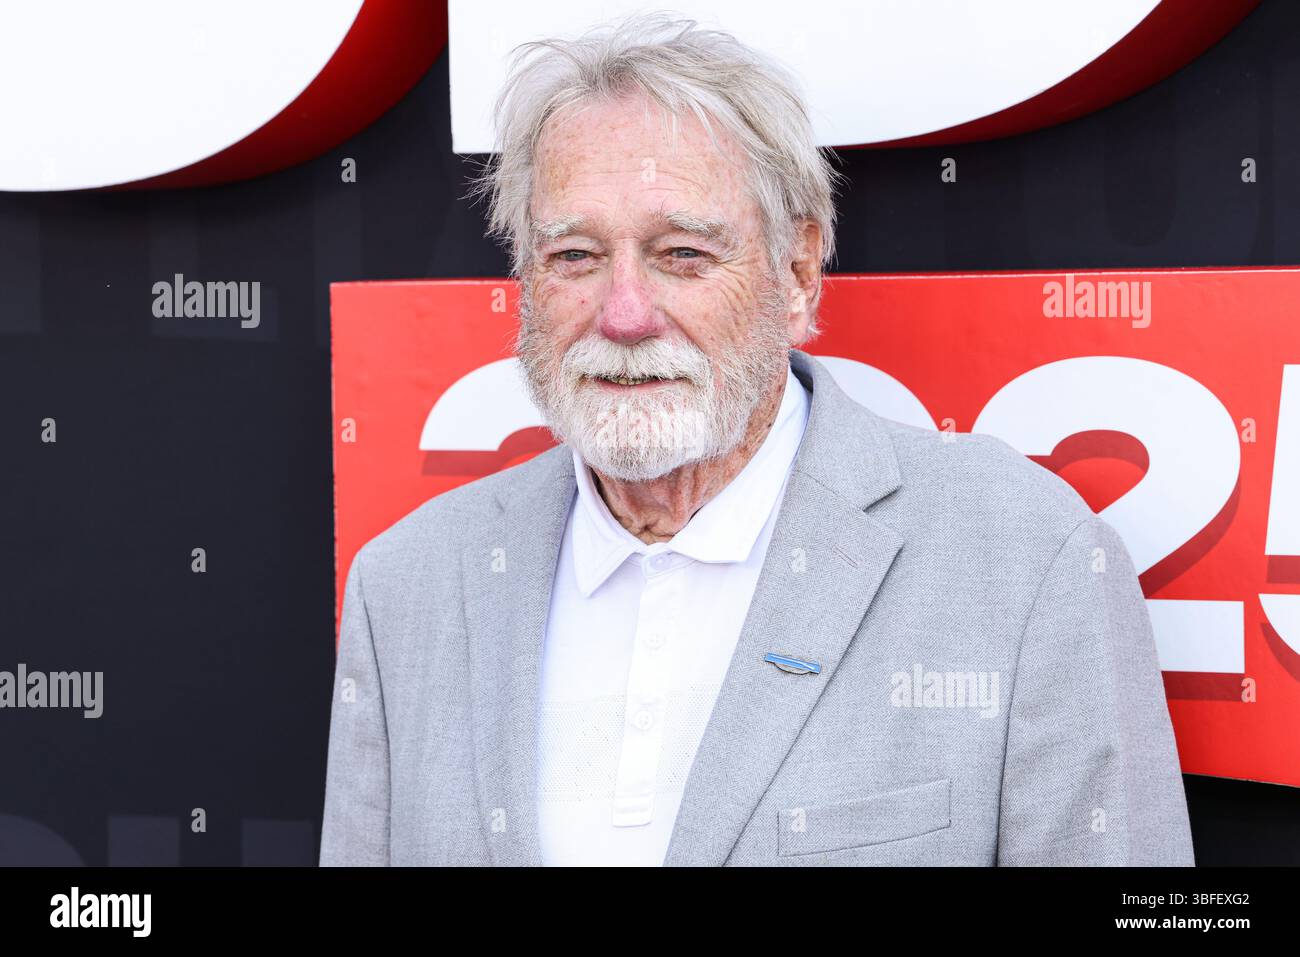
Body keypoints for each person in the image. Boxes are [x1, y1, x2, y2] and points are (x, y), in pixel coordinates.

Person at [320, 12, 1194, 866]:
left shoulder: (1025, 560)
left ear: (799, 273)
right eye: (576, 256)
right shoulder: (407, 589)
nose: (623, 314)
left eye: (684, 254)